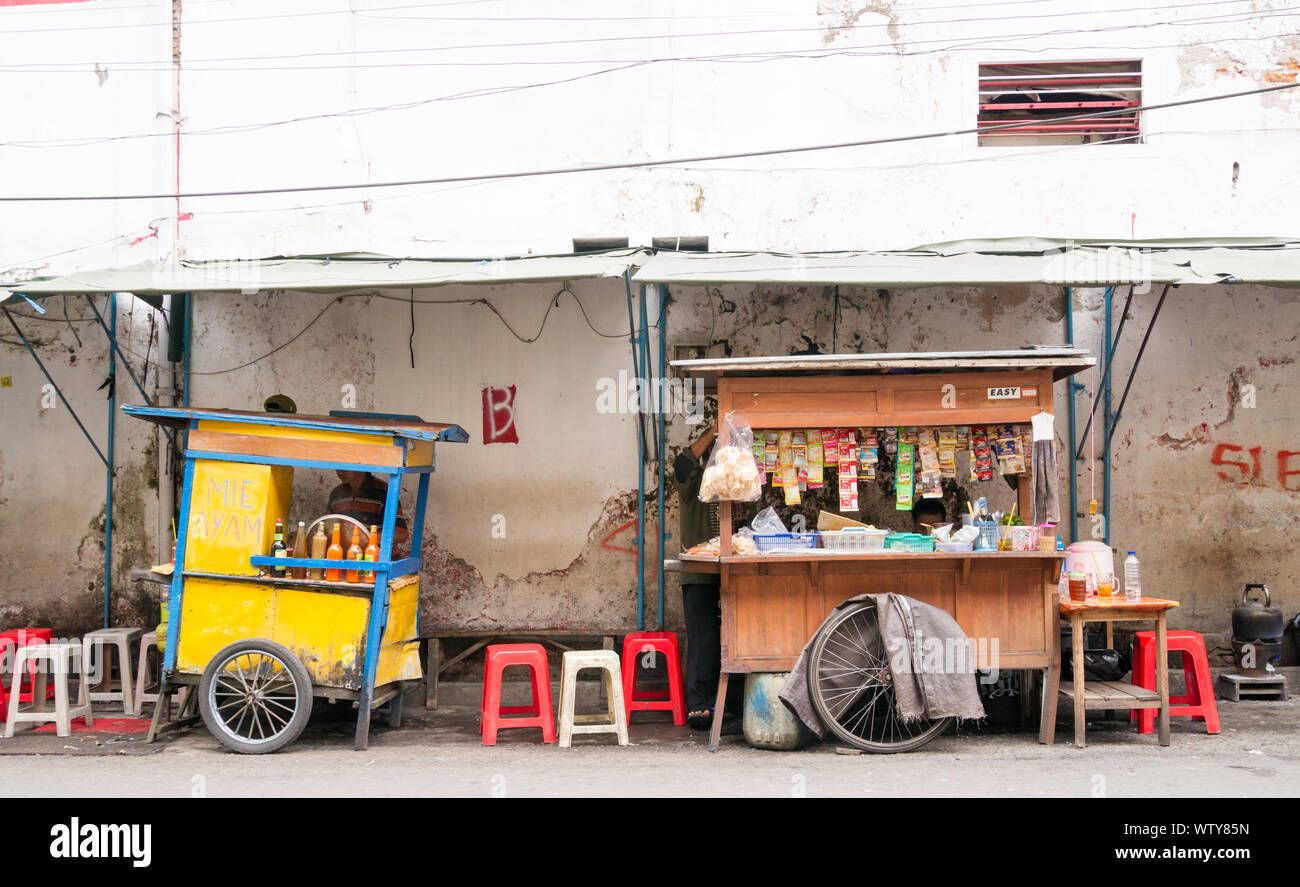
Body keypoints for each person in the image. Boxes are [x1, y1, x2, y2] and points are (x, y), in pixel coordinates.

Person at [674, 423, 728, 731]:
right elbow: (682, 462)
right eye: (712, 455)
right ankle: (698, 703)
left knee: (729, 637)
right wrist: (715, 430)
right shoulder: (691, 485)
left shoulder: (734, 485)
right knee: (703, 639)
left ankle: (724, 703)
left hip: (732, 571)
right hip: (698, 572)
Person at [328, 470, 410, 553]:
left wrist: (368, 539)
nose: (340, 472)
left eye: (345, 467)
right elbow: (326, 527)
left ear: (360, 465)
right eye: (337, 467)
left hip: (377, 559)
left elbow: (401, 534)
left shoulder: (384, 492)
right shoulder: (336, 493)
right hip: (347, 560)